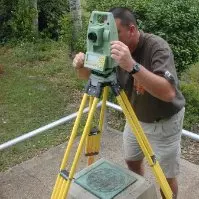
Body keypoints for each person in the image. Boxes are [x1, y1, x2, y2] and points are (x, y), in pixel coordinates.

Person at [72, 7, 185, 199]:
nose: (108, 40)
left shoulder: (156, 47)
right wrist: (82, 64)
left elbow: (168, 93)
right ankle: (139, 193)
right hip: (134, 119)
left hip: (163, 124)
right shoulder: (111, 50)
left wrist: (131, 65)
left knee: (166, 177)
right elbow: (85, 76)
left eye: (115, 34)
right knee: (131, 160)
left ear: (131, 30)